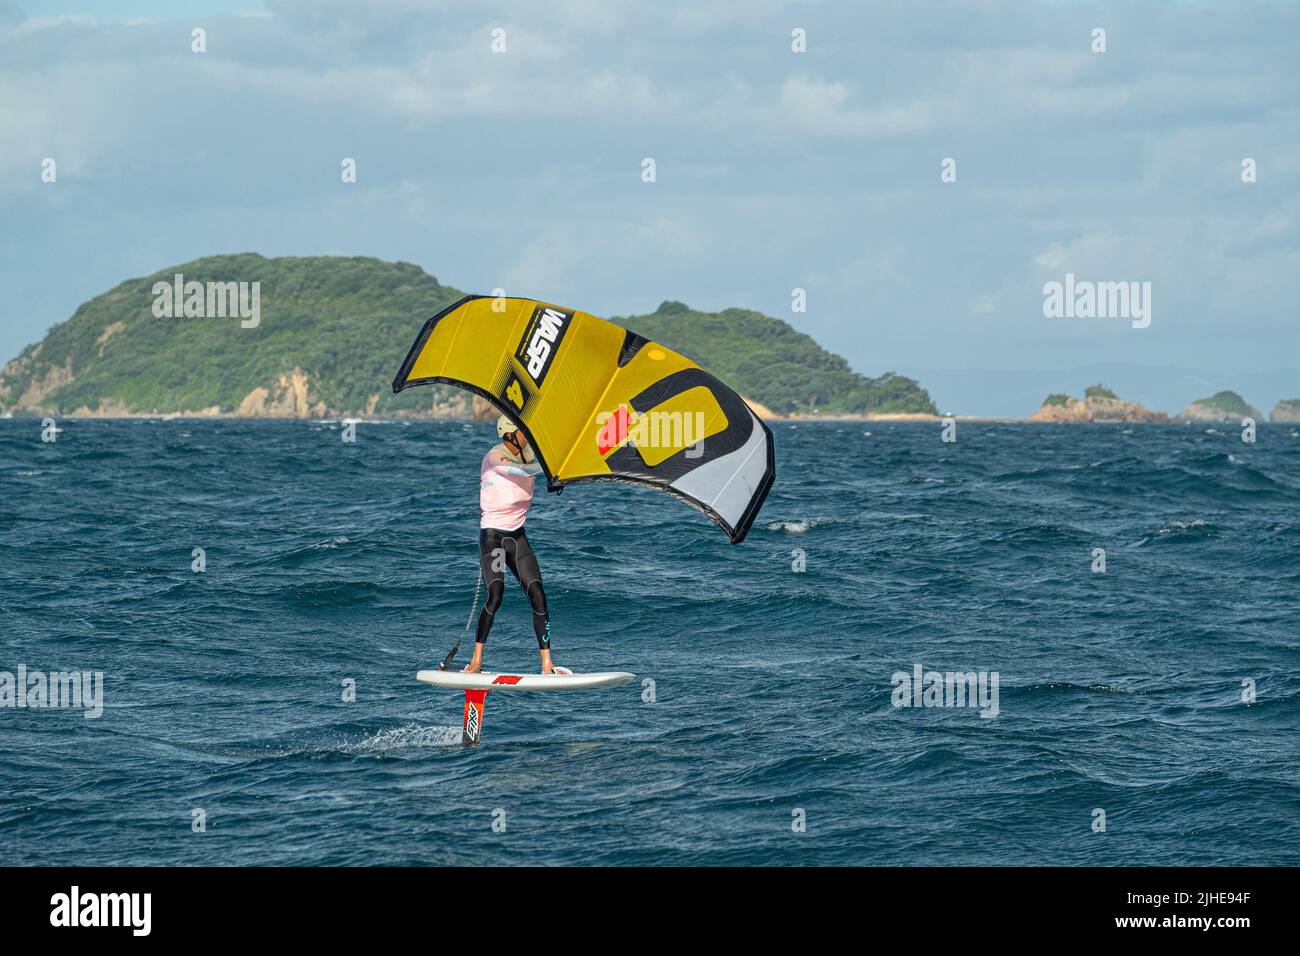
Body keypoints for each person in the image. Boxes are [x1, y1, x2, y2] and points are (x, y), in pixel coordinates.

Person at [463, 414, 560, 675]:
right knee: (495, 595)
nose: (525, 435)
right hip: (493, 537)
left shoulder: (527, 452)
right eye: (522, 431)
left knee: (538, 594)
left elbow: (547, 452)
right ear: (509, 434)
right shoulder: (495, 457)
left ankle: (547, 665)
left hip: (517, 537)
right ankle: (475, 662)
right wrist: (551, 469)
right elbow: (522, 471)